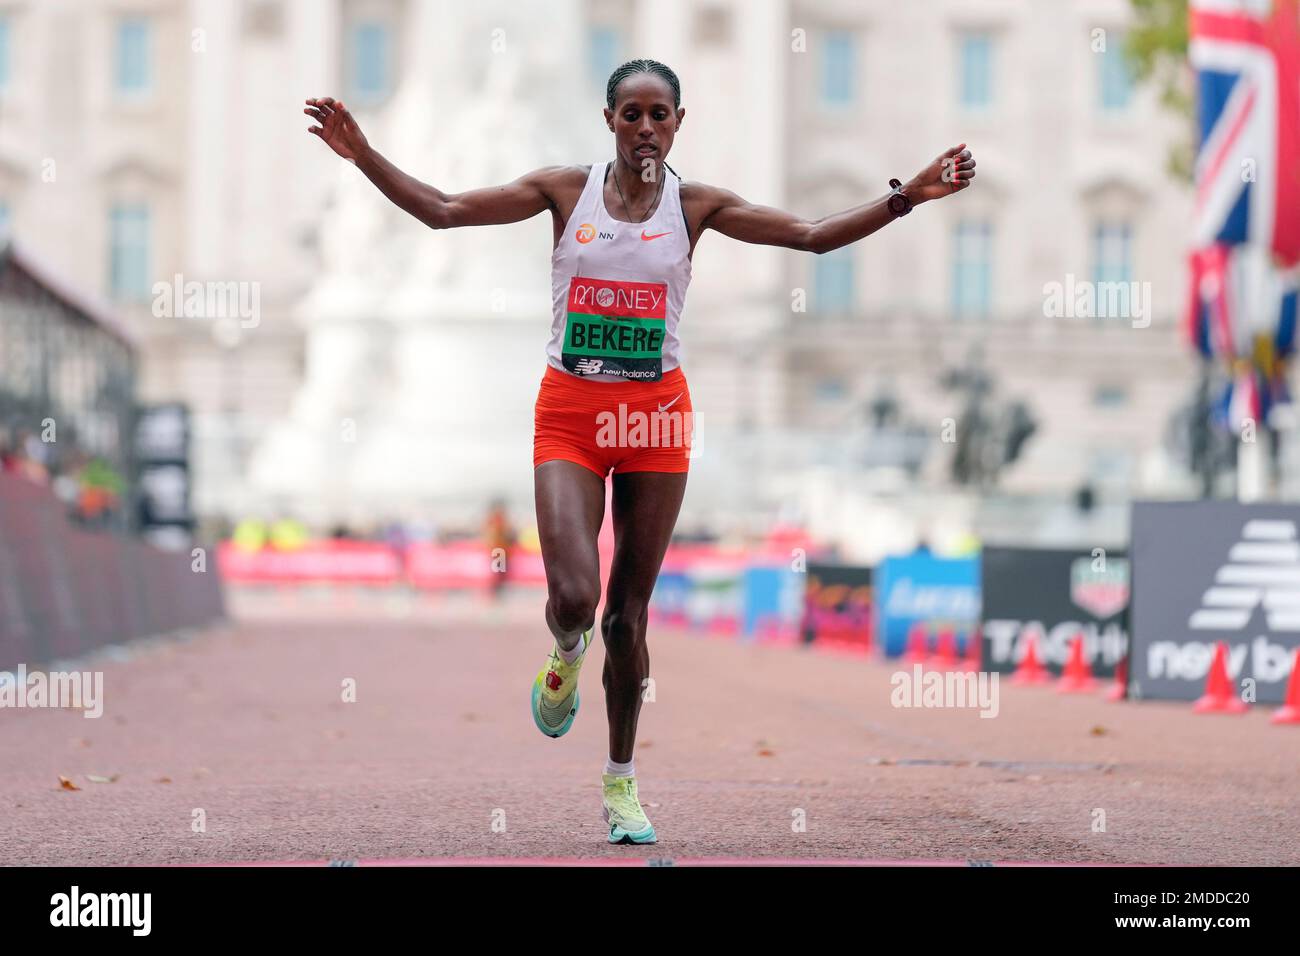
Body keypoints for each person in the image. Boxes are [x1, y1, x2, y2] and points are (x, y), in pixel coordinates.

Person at [305, 58, 975, 845]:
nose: (647, 128)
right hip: (572, 412)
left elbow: (812, 237)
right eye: (633, 114)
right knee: (575, 599)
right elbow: (446, 211)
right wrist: (365, 154)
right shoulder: (565, 191)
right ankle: (562, 653)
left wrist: (909, 195)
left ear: (679, 124)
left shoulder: (699, 205)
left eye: (661, 115)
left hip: (656, 419)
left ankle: (621, 784)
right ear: (610, 120)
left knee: (628, 619)